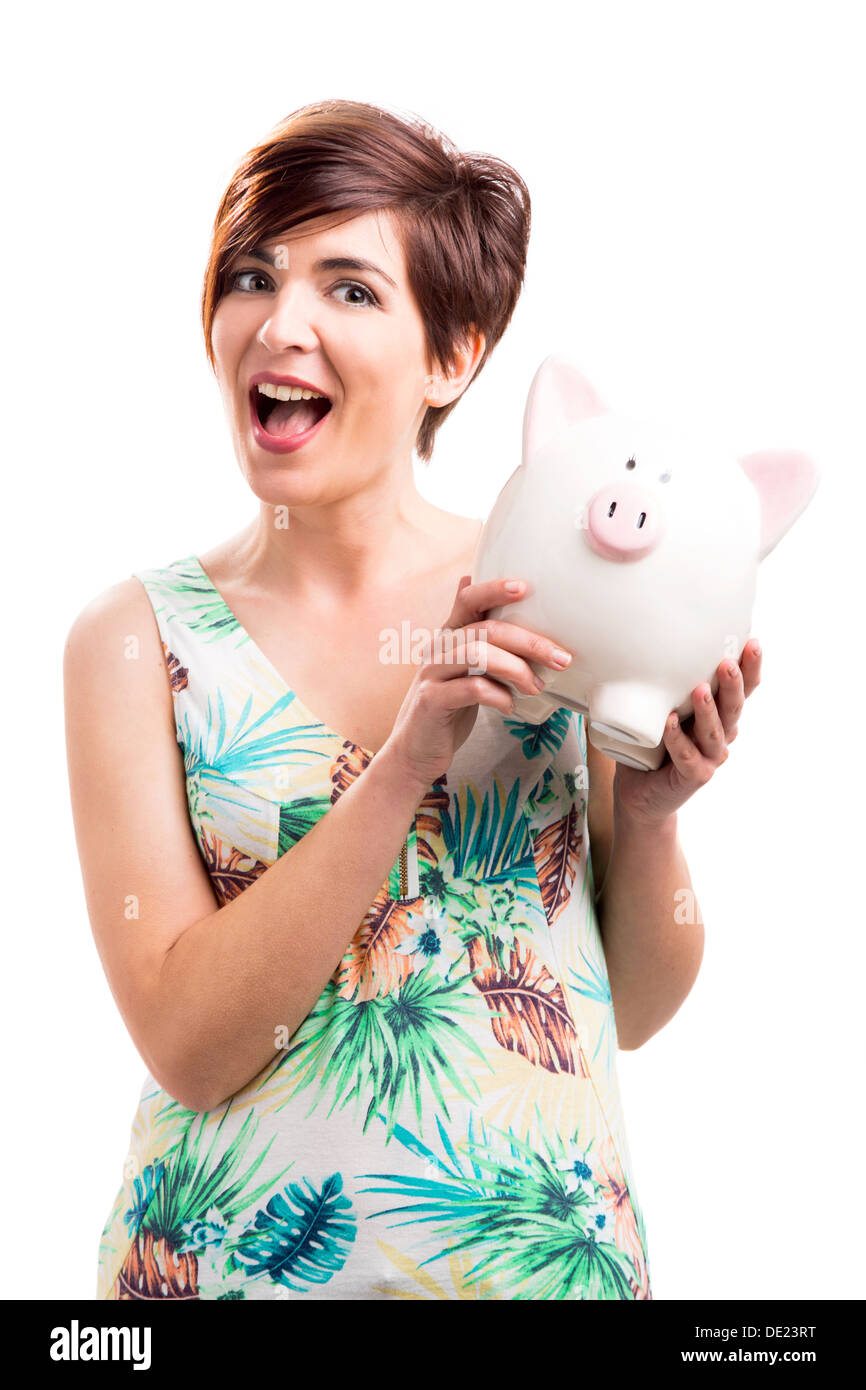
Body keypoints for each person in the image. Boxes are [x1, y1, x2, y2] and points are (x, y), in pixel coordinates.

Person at [63, 98, 761, 1301]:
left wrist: (649, 819)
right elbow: (187, 1044)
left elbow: (628, 1006)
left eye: (349, 289)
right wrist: (404, 763)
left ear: (454, 354)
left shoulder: (554, 584)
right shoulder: (136, 639)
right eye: (251, 275)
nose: (280, 324)